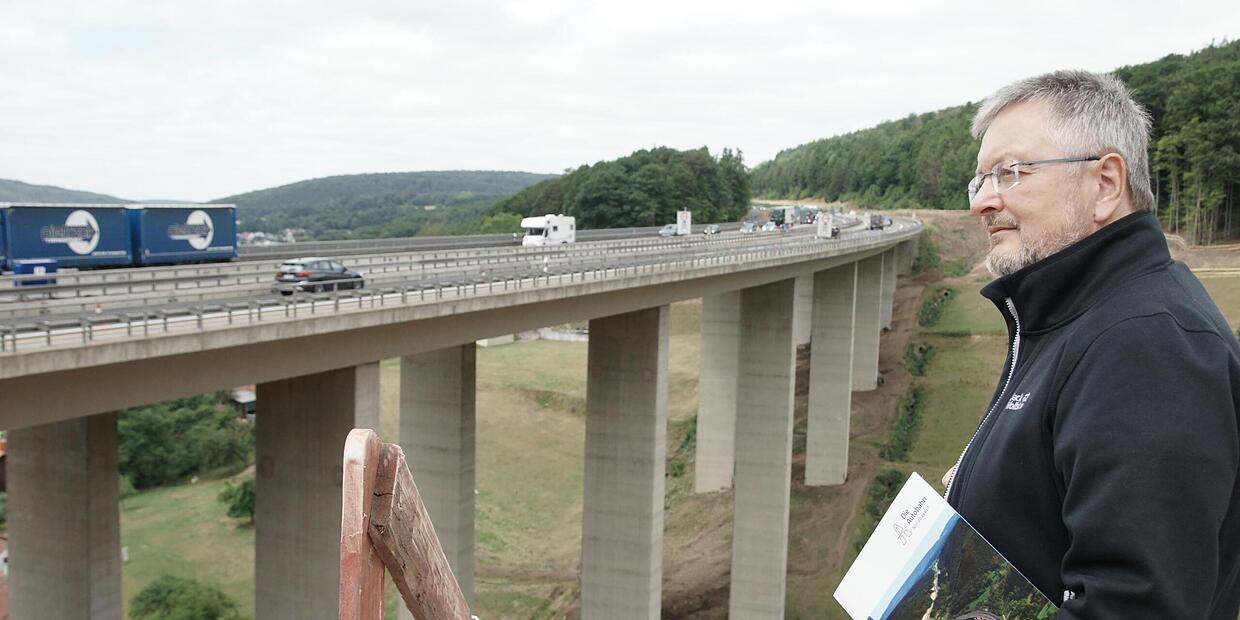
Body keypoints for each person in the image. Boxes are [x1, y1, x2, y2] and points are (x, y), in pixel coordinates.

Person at [945, 70, 1240, 619]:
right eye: (979, 180)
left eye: (1010, 173)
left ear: (1105, 183)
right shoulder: (1079, 317)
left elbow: (1135, 606)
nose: (981, 202)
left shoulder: (1147, 346)